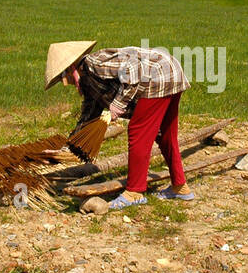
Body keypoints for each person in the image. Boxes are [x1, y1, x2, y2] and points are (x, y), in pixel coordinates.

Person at [44, 40, 192, 209]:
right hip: (170, 71)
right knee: (165, 134)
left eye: (63, 77)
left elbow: (134, 70)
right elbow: (87, 118)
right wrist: (65, 150)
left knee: (137, 131)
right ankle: (180, 187)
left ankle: (134, 192)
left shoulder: (94, 64)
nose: (66, 82)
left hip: (159, 74)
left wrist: (118, 104)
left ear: (70, 70)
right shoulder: (89, 83)